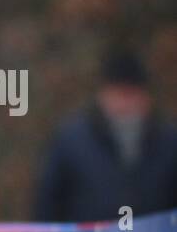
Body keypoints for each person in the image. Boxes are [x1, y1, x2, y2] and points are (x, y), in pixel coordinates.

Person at [34, 50, 177, 222]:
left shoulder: (169, 141)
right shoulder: (71, 140)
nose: (126, 104)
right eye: (119, 94)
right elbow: (49, 202)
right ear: (103, 94)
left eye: (131, 94)